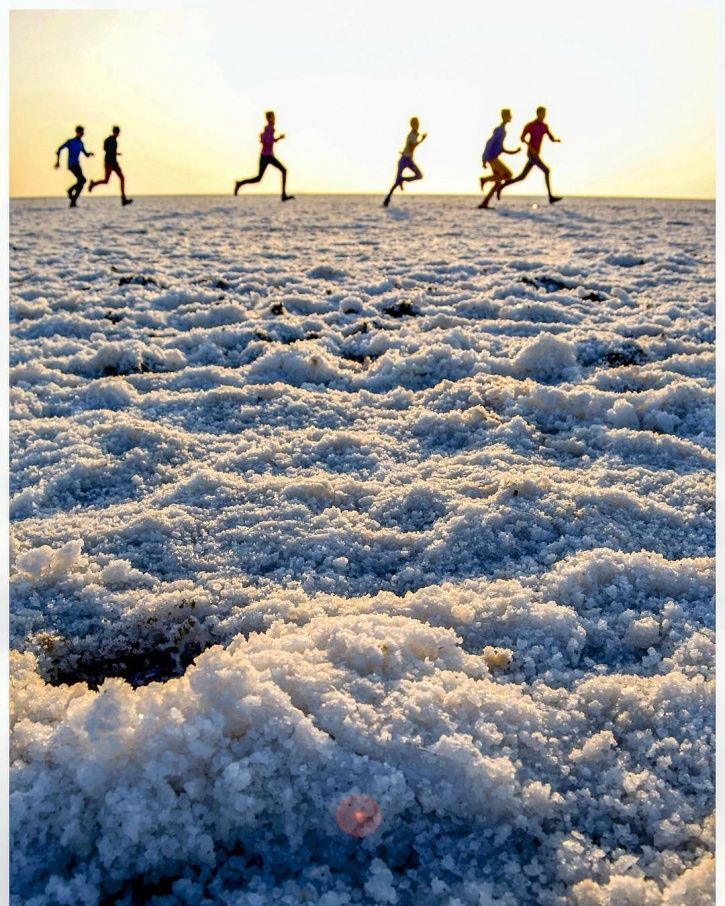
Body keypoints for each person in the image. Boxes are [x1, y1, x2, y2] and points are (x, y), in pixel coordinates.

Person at [497, 106, 562, 204]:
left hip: (536, 154)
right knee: (547, 170)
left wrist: (556, 140)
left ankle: (501, 187)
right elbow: (522, 138)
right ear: (538, 113)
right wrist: (530, 147)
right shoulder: (531, 125)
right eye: (542, 113)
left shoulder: (544, 126)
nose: (544, 115)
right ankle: (550, 197)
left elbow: (551, 137)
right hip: (532, 154)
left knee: (522, 177)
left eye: (545, 114)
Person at [234, 111, 294, 201]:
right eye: (273, 117)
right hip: (265, 156)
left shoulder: (270, 129)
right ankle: (239, 183)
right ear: (269, 119)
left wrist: (272, 138)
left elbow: (266, 139)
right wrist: (277, 138)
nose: (275, 119)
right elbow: (267, 140)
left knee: (283, 171)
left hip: (269, 156)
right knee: (259, 178)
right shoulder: (268, 128)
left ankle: (283, 194)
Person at [478, 109, 520, 209]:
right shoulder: (499, 130)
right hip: (492, 157)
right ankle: (484, 179)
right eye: (509, 115)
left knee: (497, 182)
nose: (511, 117)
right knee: (508, 174)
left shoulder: (503, 131)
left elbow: (501, 148)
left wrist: (514, 152)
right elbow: (489, 143)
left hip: (493, 157)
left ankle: (484, 203)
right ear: (505, 116)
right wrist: (484, 158)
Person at [383, 117, 427, 207]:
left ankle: (403, 179)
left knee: (419, 176)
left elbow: (410, 147)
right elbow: (411, 147)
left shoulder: (416, 134)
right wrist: (422, 140)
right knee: (396, 182)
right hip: (403, 160)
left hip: (409, 160)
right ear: (412, 125)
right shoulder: (411, 135)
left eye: (418, 124)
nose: (417, 126)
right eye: (415, 124)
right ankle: (387, 199)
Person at [89, 126, 133, 206]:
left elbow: (110, 150)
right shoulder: (108, 140)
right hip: (108, 162)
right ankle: (93, 184)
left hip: (114, 162)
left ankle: (123, 199)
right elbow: (106, 149)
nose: (118, 134)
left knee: (122, 178)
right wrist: (114, 153)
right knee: (106, 180)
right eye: (117, 132)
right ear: (115, 132)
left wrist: (116, 153)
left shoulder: (115, 141)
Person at [55, 126, 94, 208]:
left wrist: (90, 154)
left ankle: (73, 201)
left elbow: (85, 154)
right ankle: (70, 192)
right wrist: (58, 162)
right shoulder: (71, 142)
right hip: (72, 164)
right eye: (81, 132)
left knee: (81, 182)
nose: (82, 134)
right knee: (82, 180)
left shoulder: (81, 143)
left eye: (83, 132)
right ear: (77, 132)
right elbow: (59, 149)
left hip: (77, 164)